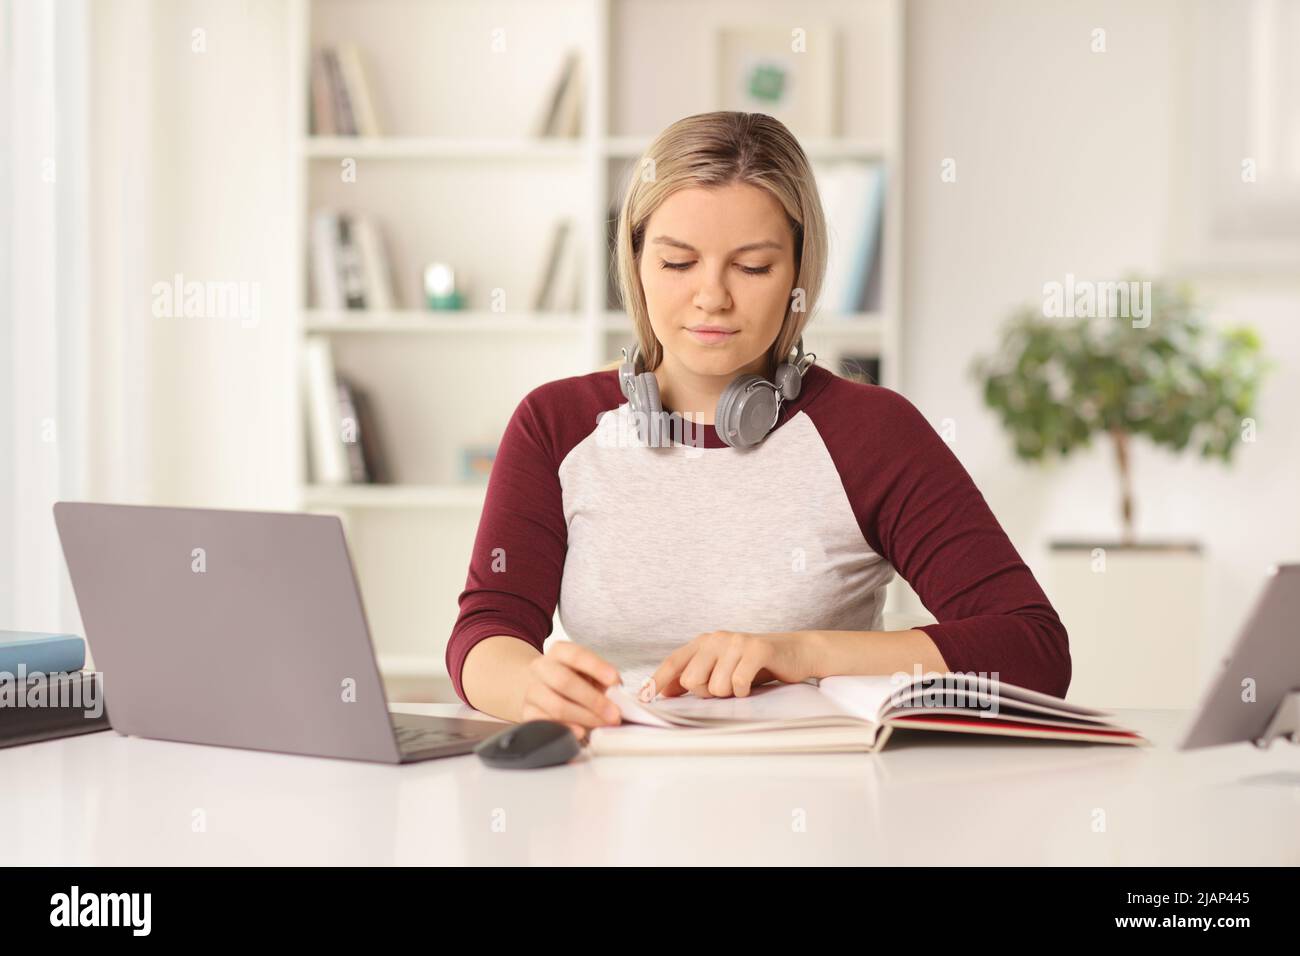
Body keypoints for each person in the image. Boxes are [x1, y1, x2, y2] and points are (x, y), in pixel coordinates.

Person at [446, 111, 1070, 740]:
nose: (712, 297)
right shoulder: (556, 424)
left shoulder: (874, 432)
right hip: (611, 790)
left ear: (800, 274)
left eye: (751, 268)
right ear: (635, 263)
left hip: (815, 798)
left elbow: (1032, 650)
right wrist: (530, 687)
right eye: (678, 262)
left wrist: (805, 654)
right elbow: (485, 633)